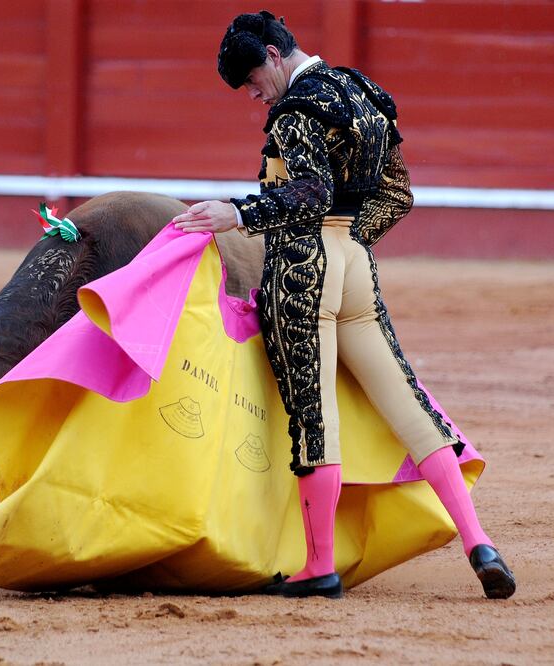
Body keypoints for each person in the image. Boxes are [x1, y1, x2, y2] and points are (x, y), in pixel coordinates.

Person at [172, 10, 516, 600]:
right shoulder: (361, 93)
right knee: (407, 405)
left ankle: (319, 567)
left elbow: (312, 192)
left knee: (313, 415)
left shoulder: (296, 111)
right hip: (355, 265)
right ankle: (479, 541)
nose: (255, 95)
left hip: (303, 267)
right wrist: (350, 239)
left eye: (254, 80)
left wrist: (239, 213)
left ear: (276, 56)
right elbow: (398, 193)